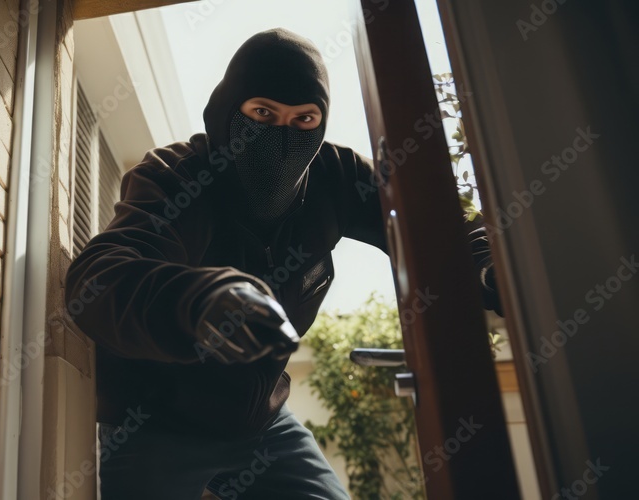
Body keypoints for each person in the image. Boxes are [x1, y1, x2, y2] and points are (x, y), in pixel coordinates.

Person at [64, 28, 500, 499]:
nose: (282, 135)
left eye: (304, 120)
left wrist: (489, 268)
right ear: (228, 110)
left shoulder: (335, 177)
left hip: (260, 426)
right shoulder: (176, 178)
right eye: (263, 114)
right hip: (153, 422)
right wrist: (204, 302)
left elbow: (430, 226)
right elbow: (100, 276)